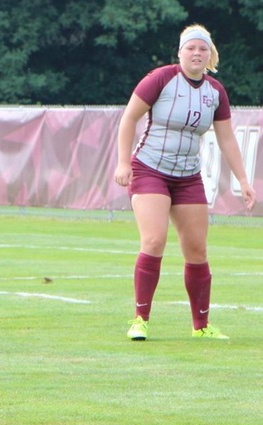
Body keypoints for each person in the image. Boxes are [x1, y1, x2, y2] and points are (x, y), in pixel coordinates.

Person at [114, 24, 256, 341]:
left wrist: (244, 180)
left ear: (210, 55)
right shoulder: (160, 79)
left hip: (188, 176)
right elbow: (129, 118)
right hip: (149, 169)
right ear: (180, 52)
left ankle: (201, 326)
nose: (196, 53)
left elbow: (227, 139)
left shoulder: (215, 92)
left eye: (202, 49)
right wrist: (124, 161)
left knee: (196, 249)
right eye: (190, 48)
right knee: (153, 241)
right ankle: (140, 319)